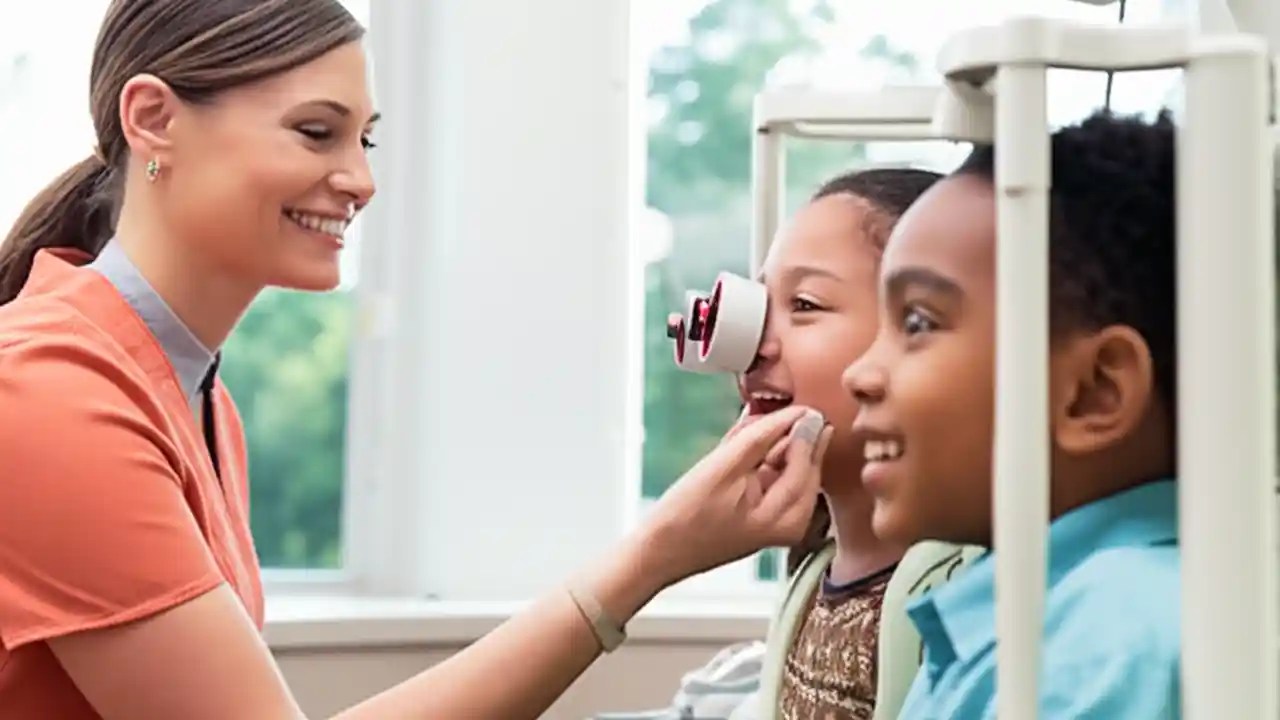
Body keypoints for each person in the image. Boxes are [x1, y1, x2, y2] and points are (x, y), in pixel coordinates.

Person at [0, 2, 835, 719]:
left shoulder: (194, 395)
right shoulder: (50, 395)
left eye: (364, 140)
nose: (360, 180)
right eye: (317, 133)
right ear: (153, 118)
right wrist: (655, 554)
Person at [844, 110, 1180, 718]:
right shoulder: (1020, 616)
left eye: (917, 322)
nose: (860, 374)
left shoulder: (1108, 645)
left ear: (1094, 392)